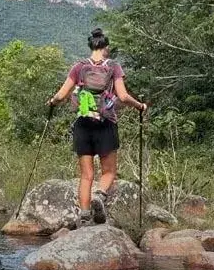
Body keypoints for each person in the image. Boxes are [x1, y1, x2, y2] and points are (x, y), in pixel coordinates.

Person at [47, 28, 147, 226]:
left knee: (86, 175)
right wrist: (140, 106)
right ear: (106, 48)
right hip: (106, 123)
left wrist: (51, 102)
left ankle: (84, 215)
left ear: (91, 46)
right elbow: (124, 96)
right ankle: (100, 196)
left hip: (83, 124)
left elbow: (61, 95)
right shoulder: (114, 67)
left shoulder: (78, 67)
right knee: (109, 171)